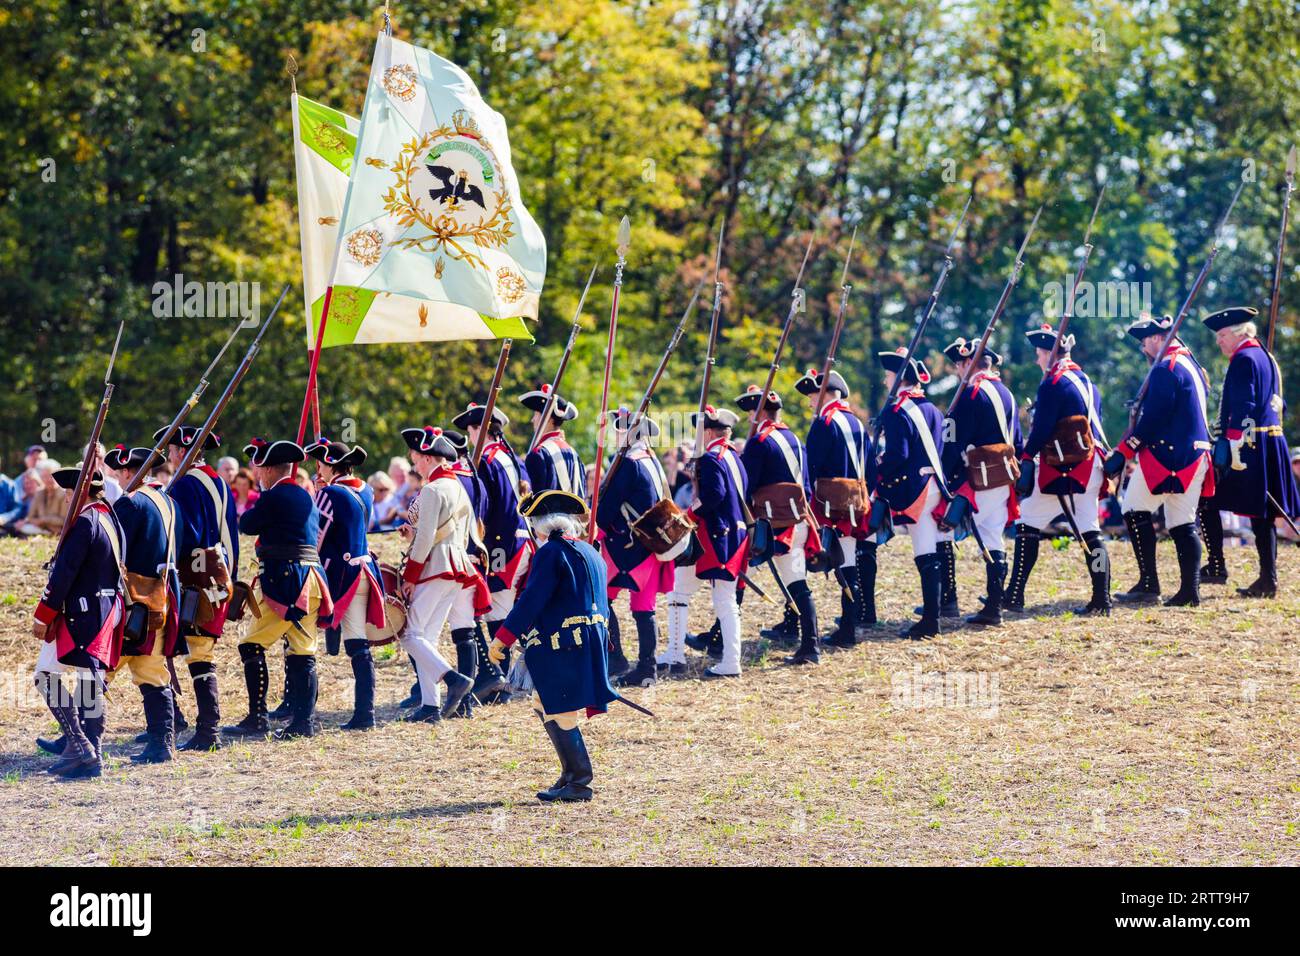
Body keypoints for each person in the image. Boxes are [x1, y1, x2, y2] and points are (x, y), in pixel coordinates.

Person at [487, 490, 618, 802]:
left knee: (559, 708)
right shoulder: (589, 551)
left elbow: (532, 600)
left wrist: (502, 638)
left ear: (538, 527)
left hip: (565, 643)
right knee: (544, 702)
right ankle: (570, 773)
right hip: (587, 640)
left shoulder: (550, 553)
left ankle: (580, 781)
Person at [224, 439, 332, 740]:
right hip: (310, 580)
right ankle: (303, 723)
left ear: (271, 469)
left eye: (261, 468)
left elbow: (247, 524)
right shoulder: (304, 495)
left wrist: (262, 500)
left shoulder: (275, 496)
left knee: (250, 645)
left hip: (286, 582)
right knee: (302, 651)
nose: (258, 473)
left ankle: (257, 718)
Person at [1104, 314, 1213, 607]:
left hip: (1170, 456)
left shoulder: (1167, 367)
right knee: (1182, 522)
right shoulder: (1191, 364)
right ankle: (1190, 591)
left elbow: (1154, 418)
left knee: (1133, 509)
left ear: (1156, 338)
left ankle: (1150, 584)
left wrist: (1125, 450)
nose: (1142, 349)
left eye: (1144, 342)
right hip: (1195, 454)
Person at [1007, 324, 1112, 616]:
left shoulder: (1053, 383)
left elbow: (1042, 430)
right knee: (1091, 529)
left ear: (1047, 353)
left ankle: (1014, 595)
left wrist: (1026, 455)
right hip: (1090, 464)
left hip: (1066, 467)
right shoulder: (1085, 380)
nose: (1036, 360)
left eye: (1038, 354)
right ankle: (1102, 598)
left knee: (1027, 522)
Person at [31, 464, 125, 779]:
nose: (67, 497)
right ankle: (90, 754)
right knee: (88, 681)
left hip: (81, 611)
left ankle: (81, 745)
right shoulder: (109, 518)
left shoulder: (85, 523)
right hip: (103, 609)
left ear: (78, 493)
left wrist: (43, 613)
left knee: (45, 674)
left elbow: (63, 575)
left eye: (70, 492)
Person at [1198, 306, 1300, 597]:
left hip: (1248, 444)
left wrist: (1230, 444)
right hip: (1271, 440)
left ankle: (1217, 565)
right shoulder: (1265, 356)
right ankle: (1268, 578)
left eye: (1222, 335)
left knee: (1208, 498)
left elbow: (1245, 406)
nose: (1219, 341)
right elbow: (1279, 402)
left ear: (1238, 332)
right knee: (1263, 514)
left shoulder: (1243, 358)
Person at [102, 446, 184, 763]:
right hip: (161, 596)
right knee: (151, 671)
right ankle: (162, 743)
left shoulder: (130, 502)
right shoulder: (166, 501)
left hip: (133, 600)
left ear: (126, 472)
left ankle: (76, 738)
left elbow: (113, 551)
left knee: (95, 669)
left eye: (117, 473)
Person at [162, 425, 239, 751]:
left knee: (198, 652)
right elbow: (232, 537)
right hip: (220, 576)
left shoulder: (183, 485)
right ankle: (199, 725)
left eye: (171, 450)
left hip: (195, 578)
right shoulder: (220, 482)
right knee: (200, 651)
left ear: (181, 452)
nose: (168, 456)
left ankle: (208, 729)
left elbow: (183, 537)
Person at [397, 426, 482, 722]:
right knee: (426, 638)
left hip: (436, 567)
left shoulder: (433, 489)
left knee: (409, 635)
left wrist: (410, 576)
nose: (413, 462)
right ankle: (431, 707)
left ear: (428, 457)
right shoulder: (456, 486)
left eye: (415, 456)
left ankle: (454, 680)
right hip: (456, 566)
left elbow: (425, 539)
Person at [938, 338, 1022, 628]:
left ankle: (944, 600)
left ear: (966, 364)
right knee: (993, 537)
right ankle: (994, 606)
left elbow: (953, 442)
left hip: (976, 477)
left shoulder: (970, 394)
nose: (958, 371)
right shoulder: (1006, 392)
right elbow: (1018, 441)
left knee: (942, 531)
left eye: (959, 365)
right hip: (1004, 476)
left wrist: (945, 476)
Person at [736, 385, 821, 664]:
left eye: (751, 412)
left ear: (759, 413)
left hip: (776, 523)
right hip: (800, 518)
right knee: (798, 583)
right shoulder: (794, 438)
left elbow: (746, 486)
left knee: (794, 584)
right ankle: (808, 642)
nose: (750, 418)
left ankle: (810, 647)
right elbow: (805, 484)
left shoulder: (760, 443)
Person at [306, 438, 385, 730]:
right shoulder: (365, 490)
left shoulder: (330, 493)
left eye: (320, 462)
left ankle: (300, 708)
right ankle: (365, 714)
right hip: (364, 570)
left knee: (304, 641)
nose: (318, 468)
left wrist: (317, 497)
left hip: (339, 573)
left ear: (329, 465)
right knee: (358, 645)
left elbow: (315, 537)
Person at [595, 408, 676, 686]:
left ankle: (616, 658)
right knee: (644, 608)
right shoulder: (650, 459)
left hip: (626, 547)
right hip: (649, 544)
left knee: (601, 599)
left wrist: (595, 529)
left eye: (619, 427)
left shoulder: (629, 463)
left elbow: (606, 508)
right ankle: (647, 668)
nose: (615, 433)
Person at [665, 407, 748, 678]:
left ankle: (728, 661)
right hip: (732, 535)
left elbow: (714, 496)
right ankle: (676, 652)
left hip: (716, 537)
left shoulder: (712, 458)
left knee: (721, 600)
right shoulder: (733, 456)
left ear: (710, 431)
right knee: (682, 590)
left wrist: (689, 512)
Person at [454, 401, 528, 702]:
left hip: (502, 545)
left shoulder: (485, 460)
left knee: (497, 613)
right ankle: (505, 679)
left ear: (476, 429)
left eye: (470, 431)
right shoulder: (512, 457)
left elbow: (485, 507)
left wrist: (479, 547)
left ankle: (498, 683)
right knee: (505, 611)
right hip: (522, 541)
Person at [873, 349, 948, 638]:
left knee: (924, 553)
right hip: (933, 486)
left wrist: (878, 467)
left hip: (914, 490)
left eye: (889, 376)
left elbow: (897, 455)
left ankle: (931, 620)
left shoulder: (896, 411)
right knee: (928, 551)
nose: (884, 381)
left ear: (899, 378)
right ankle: (933, 617)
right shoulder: (932, 409)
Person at [799, 367, 873, 641]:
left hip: (828, 502)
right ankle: (849, 625)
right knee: (849, 562)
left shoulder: (824, 422)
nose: (810, 401)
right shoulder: (855, 421)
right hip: (855, 499)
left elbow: (812, 465)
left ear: (825, 393)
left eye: (813, 395)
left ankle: (803, 622)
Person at [518, 383, 585, 495]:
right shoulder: (574, 454)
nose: (532, 420)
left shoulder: (538, 454)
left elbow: (534, 507)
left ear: (548, 419)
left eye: (536, 414)